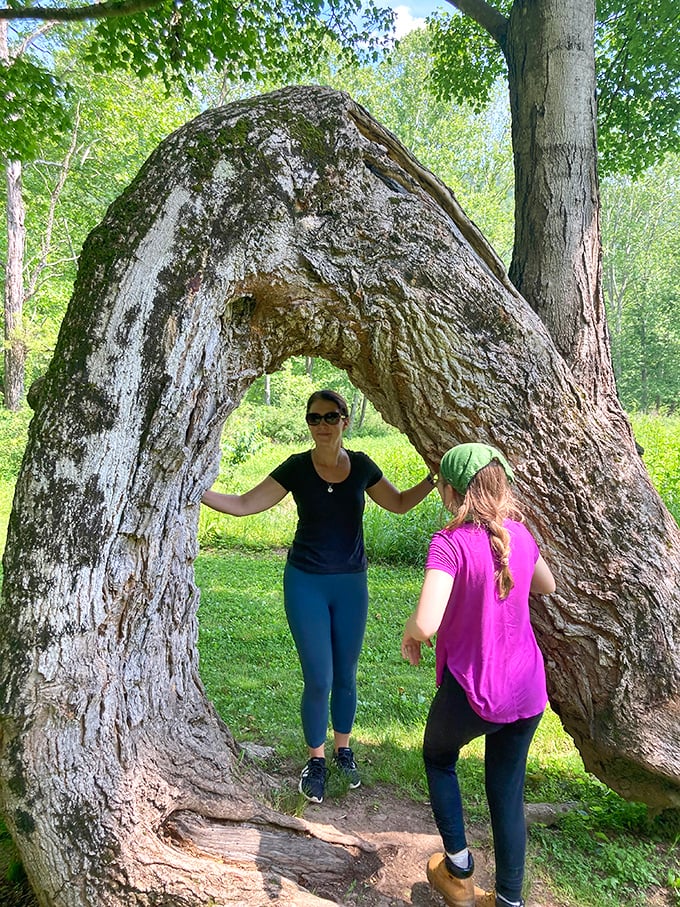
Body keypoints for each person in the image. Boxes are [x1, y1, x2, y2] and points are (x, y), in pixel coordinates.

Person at [202, 388, 436, 804]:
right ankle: (315, 759)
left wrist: (434, 478)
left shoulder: (362, 466)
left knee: (346, 673)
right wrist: (193, 490)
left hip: (351, 584)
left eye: (331, 417)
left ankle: (344, 751)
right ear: (308, 424)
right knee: (320, 677)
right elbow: (242, 504)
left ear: (345, 421)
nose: (323, 425)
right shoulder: (296, 468)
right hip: (306, 582)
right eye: (315, 418)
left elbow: (399, 503)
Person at [401, 442, 556, 907]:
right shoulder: (520, 537)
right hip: (527, 690)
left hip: (475, 689)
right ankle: (509, 900)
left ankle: (459, 866)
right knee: (506, 792)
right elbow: (545, 584)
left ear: (450, 491)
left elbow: (427, 622)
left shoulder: (449, 543)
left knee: (438, 755)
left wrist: (411, 634)